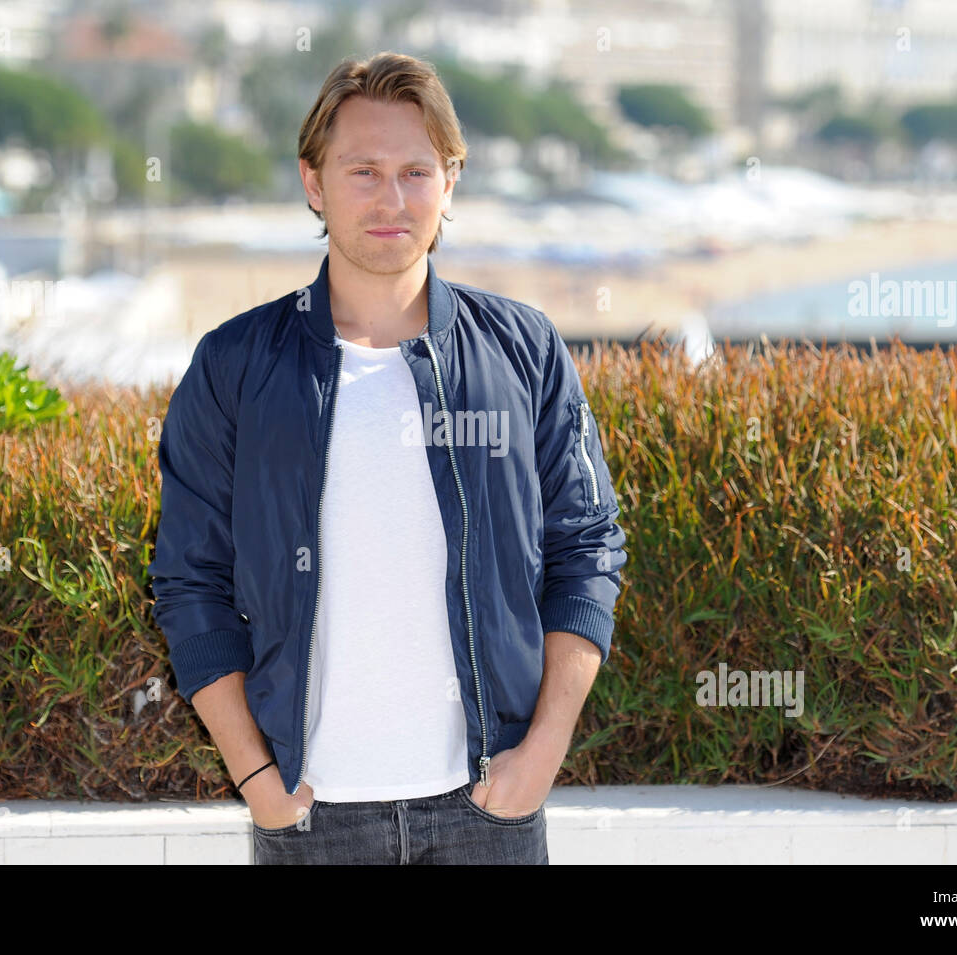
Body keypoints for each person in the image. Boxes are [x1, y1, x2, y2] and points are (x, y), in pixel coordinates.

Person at [147, 51, 628, 865]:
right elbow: (189, 584)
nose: (392, 198)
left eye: (416, 170)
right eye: (362, 170)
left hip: (489, 814)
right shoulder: (235, 365)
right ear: (313, 182)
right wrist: (259, 778)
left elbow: (588, 549)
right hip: (310, 819)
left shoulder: (525, 350)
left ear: (451, 182)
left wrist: (543, 752)